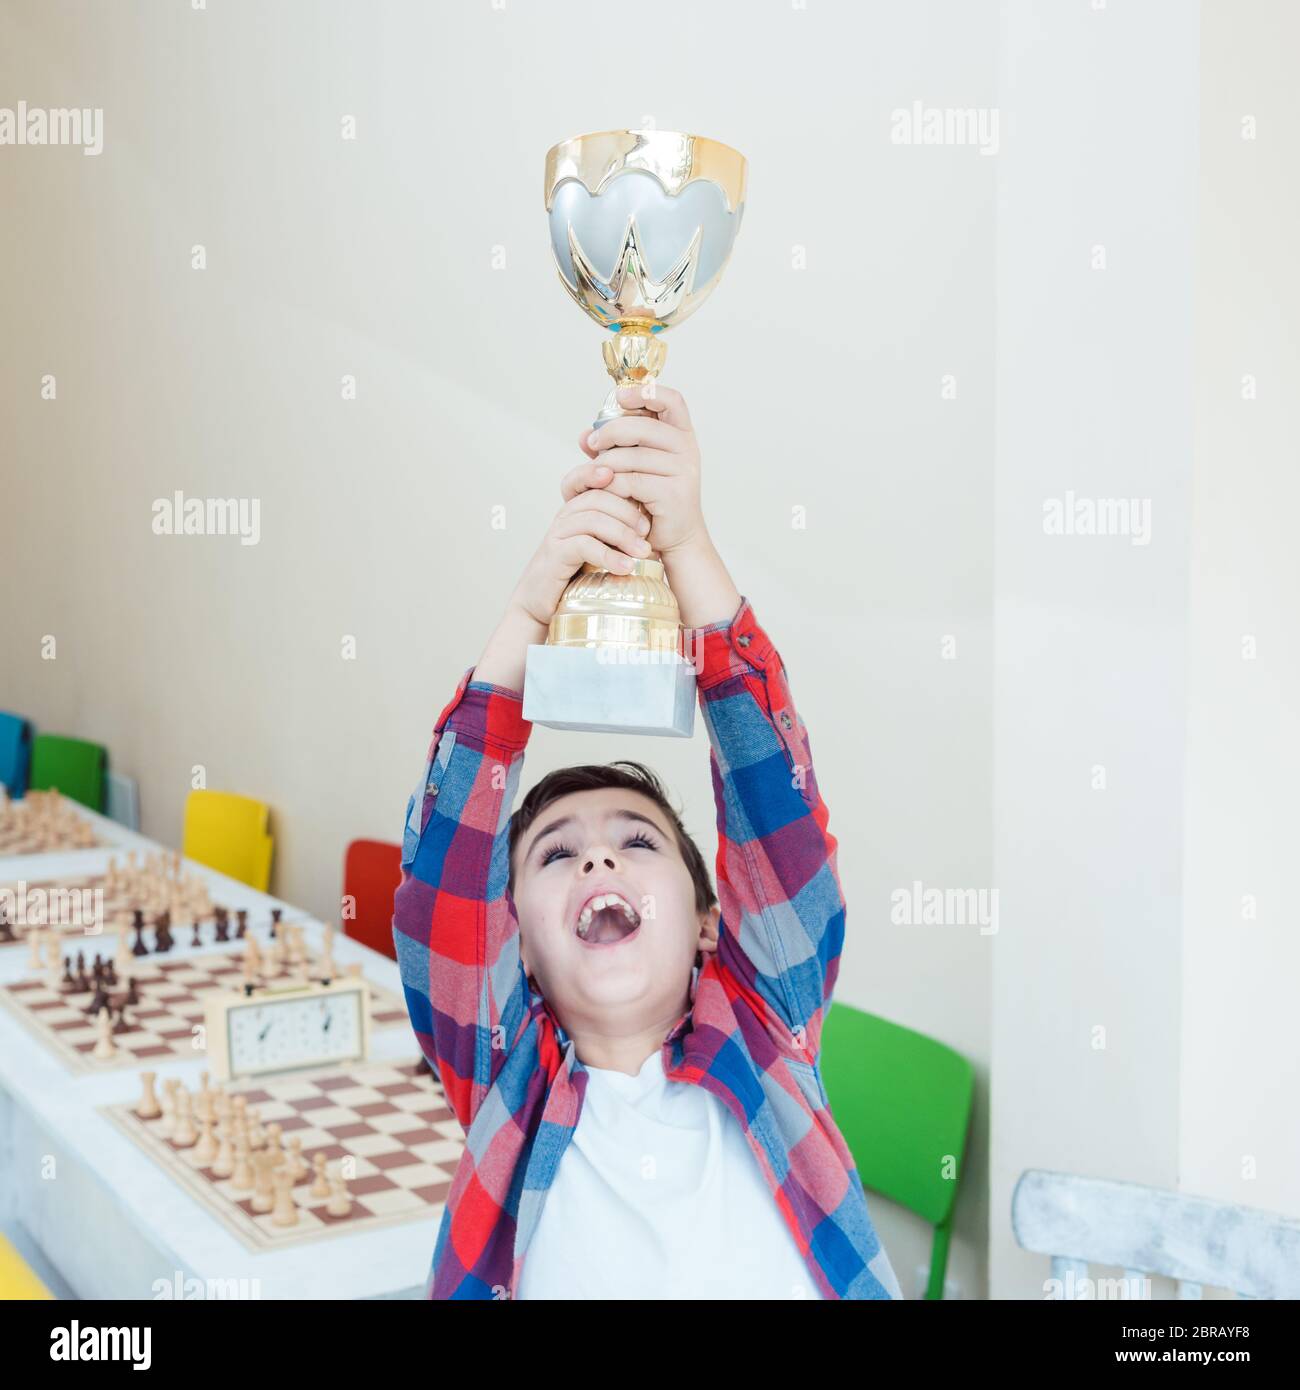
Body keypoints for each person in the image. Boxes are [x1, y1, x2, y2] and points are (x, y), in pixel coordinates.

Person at [393, 383, 901, 1300]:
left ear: (710, 923)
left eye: (637, 840)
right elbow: (447, 883)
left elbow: (770, 815)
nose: (598, 860)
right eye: (554, 853)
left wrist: (688, 548)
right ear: (519, 954)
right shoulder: (505, 1074)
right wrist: (526, 614)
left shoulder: (763, 1024)